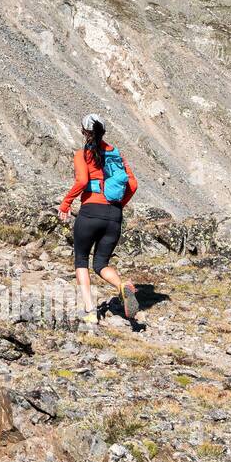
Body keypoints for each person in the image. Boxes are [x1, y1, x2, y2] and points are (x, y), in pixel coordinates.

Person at [58, 113, 139, 326]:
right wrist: (119, 205)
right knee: (101, 263)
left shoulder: (82, 154)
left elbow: (82, 180)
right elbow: (133, 184)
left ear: (84, 132)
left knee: (81, 260)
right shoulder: (116, 154)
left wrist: (66, 203)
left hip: (90, 212)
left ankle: (90, 311)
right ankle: (121, 287)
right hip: (114, 215)